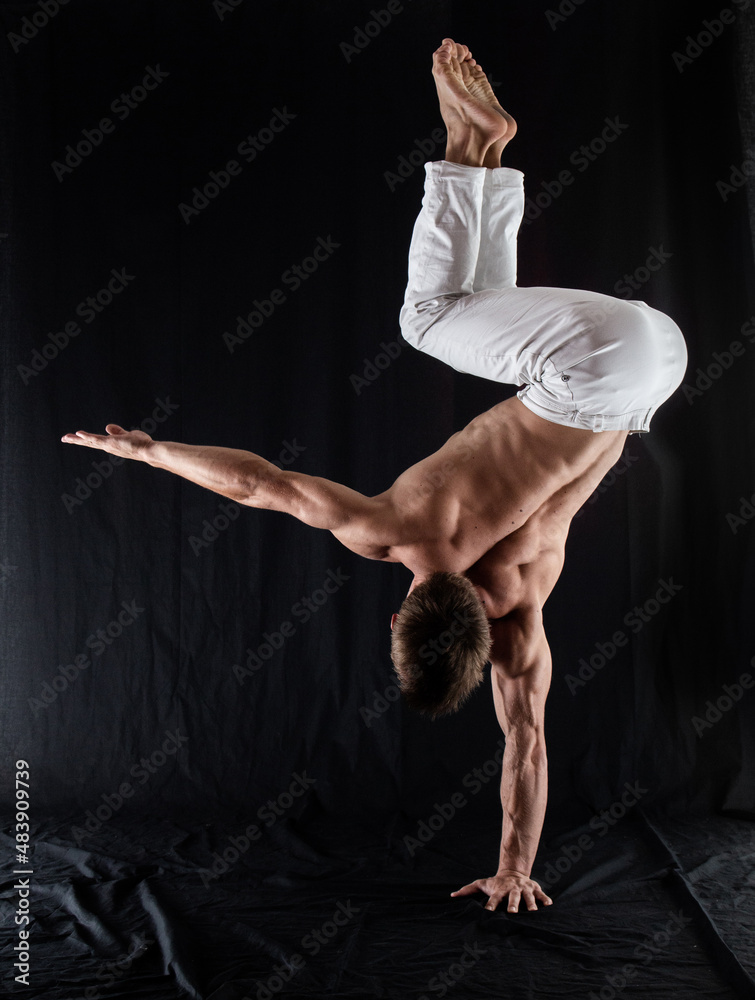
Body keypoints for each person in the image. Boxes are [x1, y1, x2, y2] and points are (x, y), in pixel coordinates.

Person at [61, 38, 687, 914]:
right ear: (400, 613)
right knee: (430, 321)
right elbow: (261, 484)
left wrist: (514, 867)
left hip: (654, 368)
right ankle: (472, 148)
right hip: (593, 362)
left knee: (469, 315)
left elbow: (527, 746)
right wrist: (148, 452)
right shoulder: (394, 533)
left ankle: (480, 149)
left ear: (480, 638)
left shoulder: (526, 609)